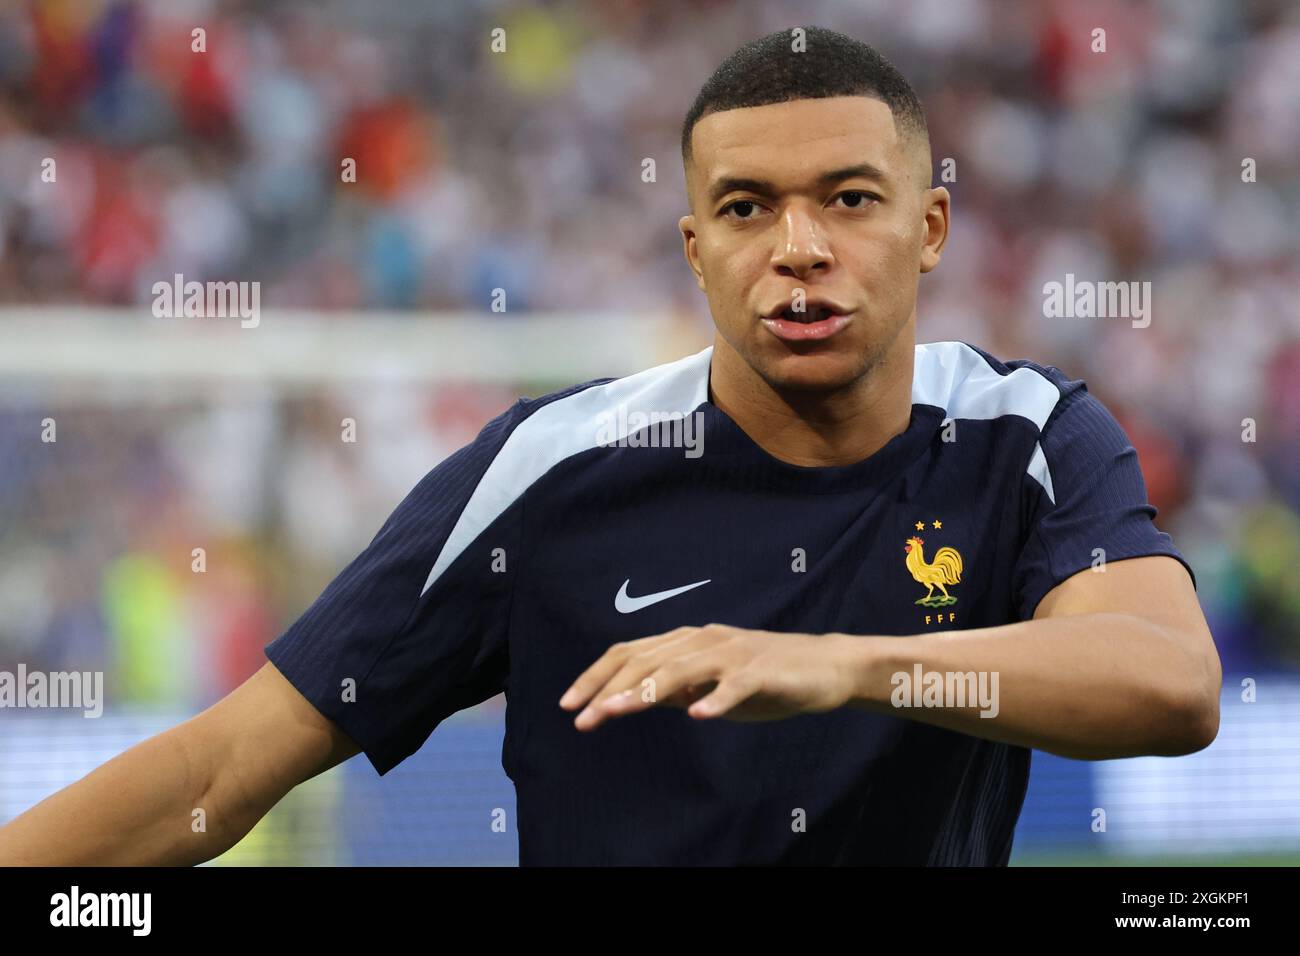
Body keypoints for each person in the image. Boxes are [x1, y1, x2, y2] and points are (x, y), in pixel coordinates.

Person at [0, 26, 1219, 867]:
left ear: (930, 227)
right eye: (745, 208)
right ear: (695, 248)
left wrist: (848, 663)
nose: (796, 246)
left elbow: (1171, 685)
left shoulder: (1030, 439)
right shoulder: (549, 470)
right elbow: (225, 761)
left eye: (849, 198)